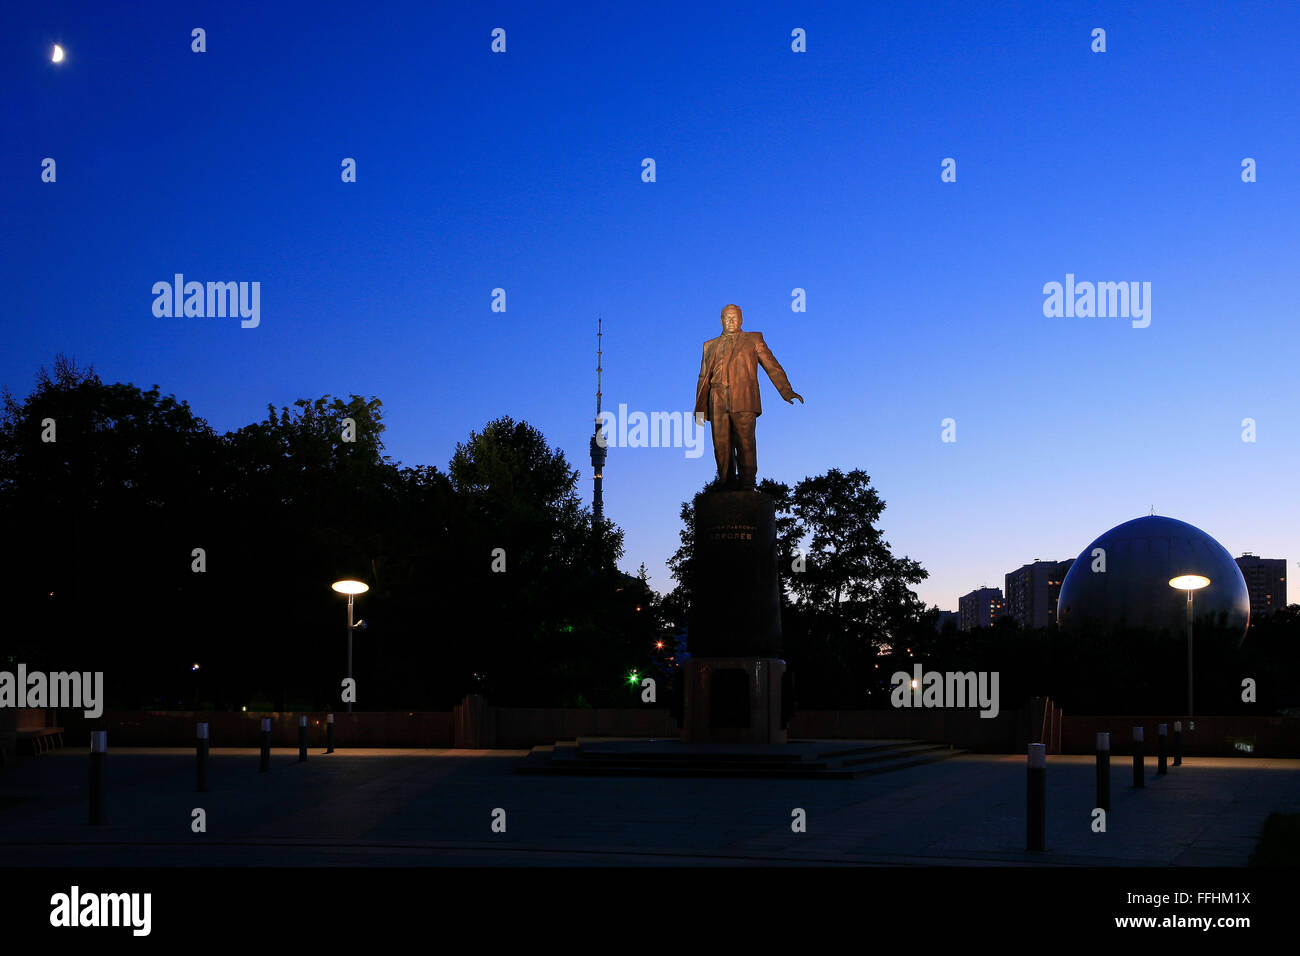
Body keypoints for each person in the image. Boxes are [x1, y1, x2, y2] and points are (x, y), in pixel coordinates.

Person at [693, 304, 802, 489]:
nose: (731, 320)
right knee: (721, 446)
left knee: (745, 443)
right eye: (727, 317)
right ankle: (726, 484)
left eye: (735, 317)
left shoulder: (753, 339)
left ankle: (747, 484)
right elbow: (703, 376)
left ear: (741, 320)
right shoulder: (709, 346)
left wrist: (786, 390)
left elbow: (771, 365)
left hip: (743, 397)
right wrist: (700, 409)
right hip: (716, 397)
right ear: (721, 320)